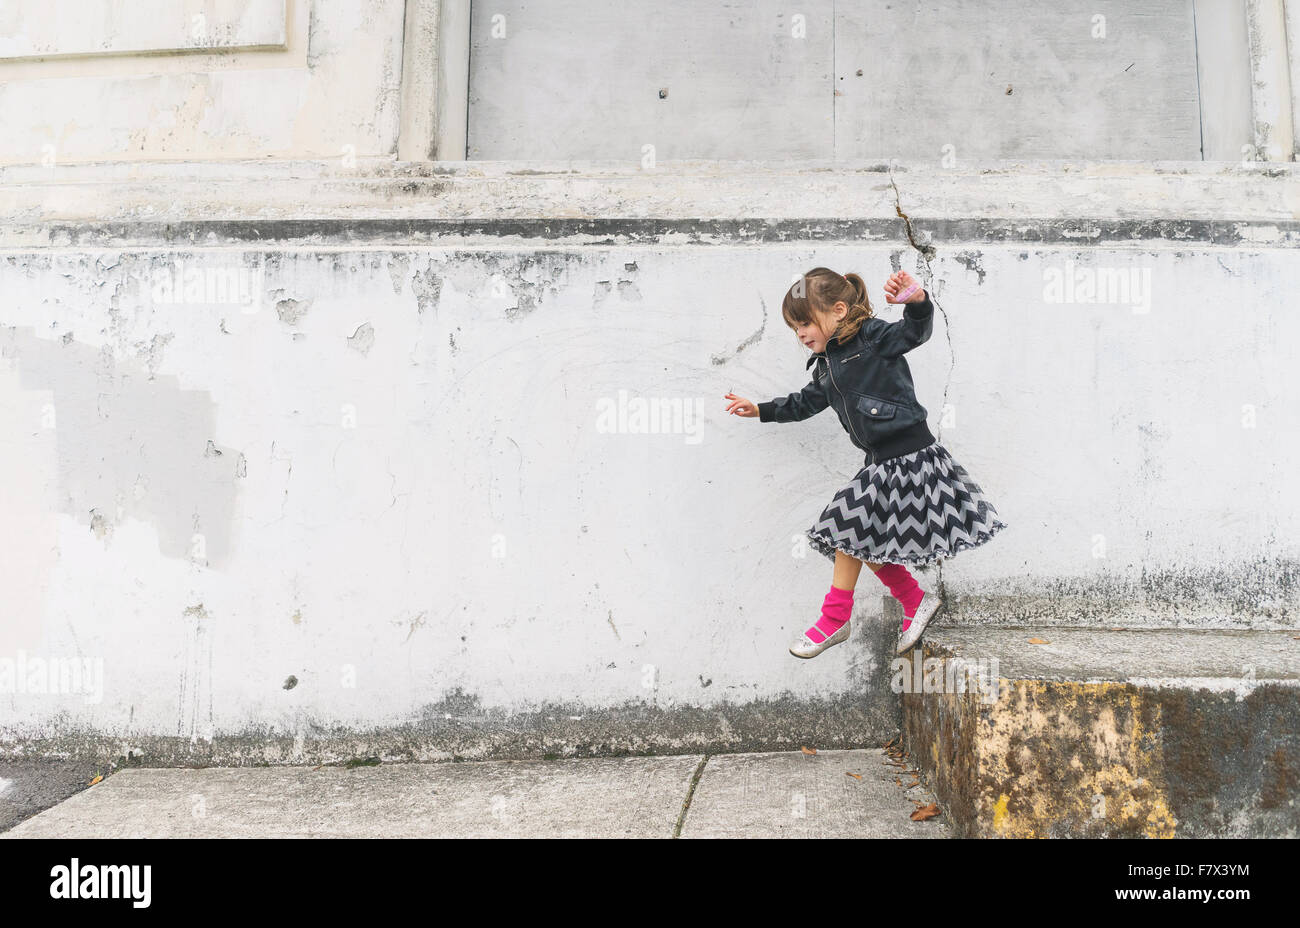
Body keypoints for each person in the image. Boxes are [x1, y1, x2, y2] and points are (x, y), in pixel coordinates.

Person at [725, 267, 1006, 658]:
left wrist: (918, 302)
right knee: (859, 536)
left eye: (805, 322)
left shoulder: (872, 337)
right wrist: (760, 409)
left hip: (909, 454)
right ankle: (912, 601)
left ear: (838, 310)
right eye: (794, 328)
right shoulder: (826, 365)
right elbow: (804, 403)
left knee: (845, 525)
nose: (801, 334)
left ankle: (837, 617)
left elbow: (913, 333)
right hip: (882, 461)